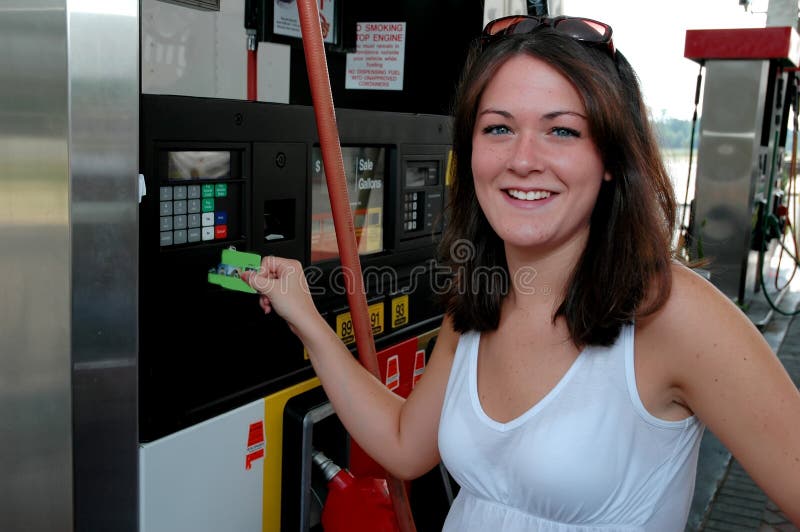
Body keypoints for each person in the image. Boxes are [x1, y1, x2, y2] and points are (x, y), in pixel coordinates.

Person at [241, 15, 800, 530]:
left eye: (562, 131)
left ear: (610, 158)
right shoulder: (481, 299)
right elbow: (403, 444)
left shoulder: (674, 314)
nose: (523, 159)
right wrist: (309, 320)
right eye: (499, 129)